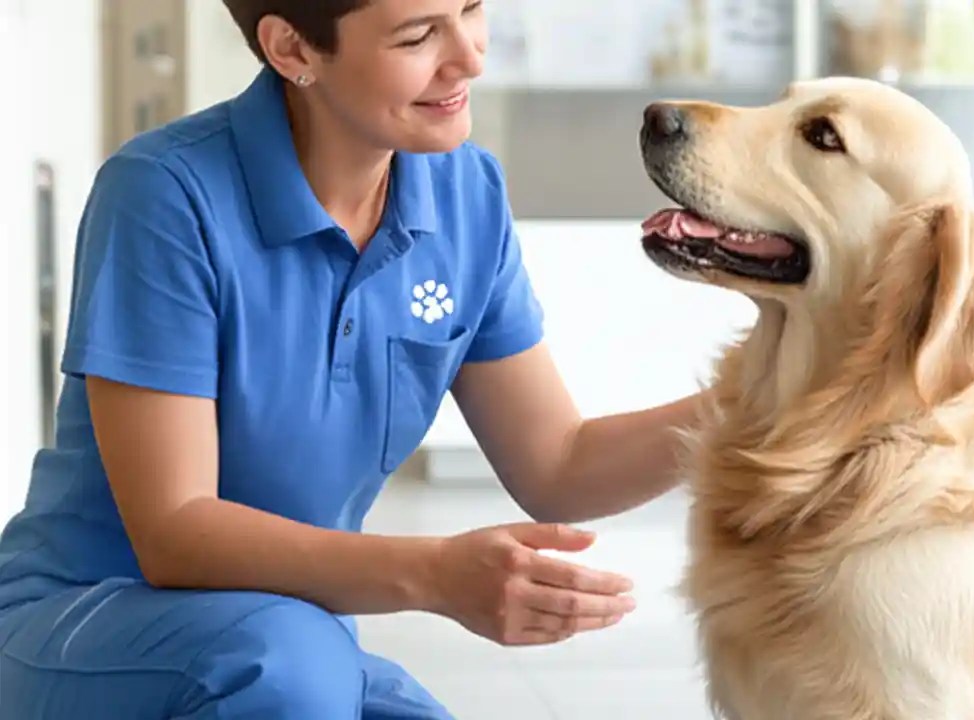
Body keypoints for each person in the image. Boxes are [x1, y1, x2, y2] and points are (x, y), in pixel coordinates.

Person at [0, 1, 699, 717]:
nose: (470, 57)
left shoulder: (466, 194)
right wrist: (437, 574)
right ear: (293, 49)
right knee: (289, 669)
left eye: (471, 9)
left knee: (312, 668)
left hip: (297, 637)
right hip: (92, 622)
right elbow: (177, 532)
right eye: (419, 34)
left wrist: (763, 399)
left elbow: (560, 463)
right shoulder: (164, 194)